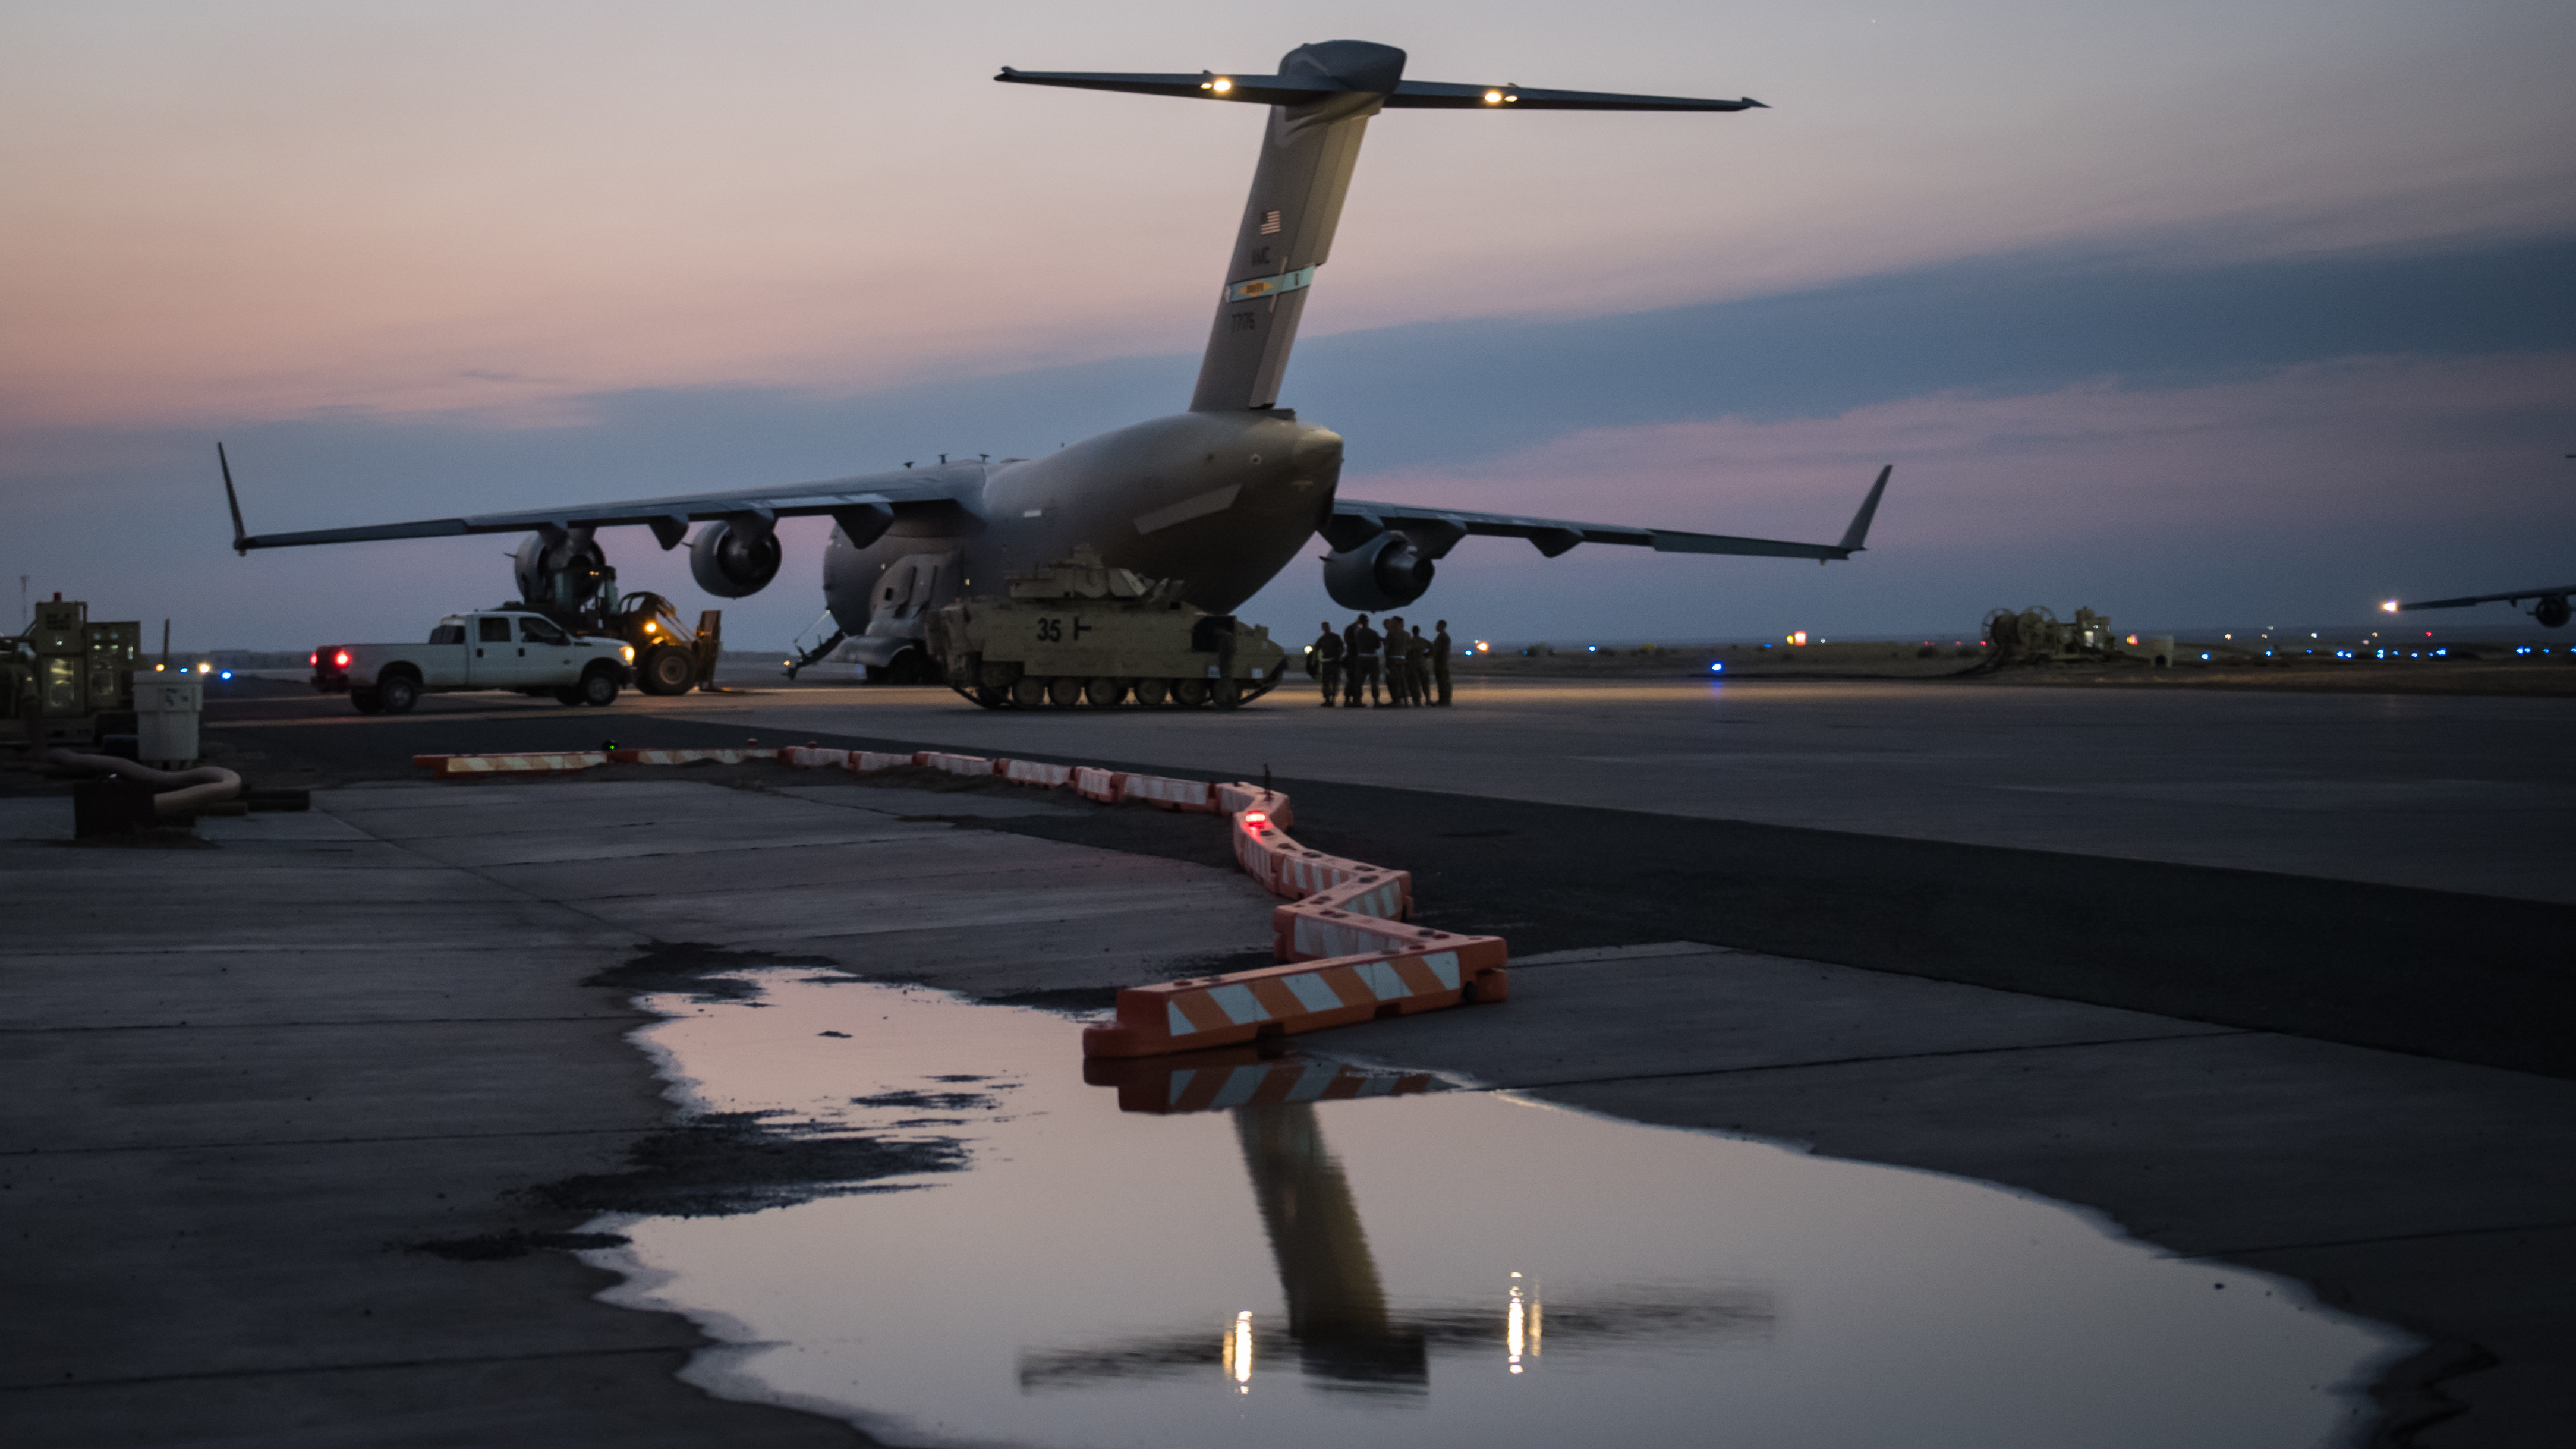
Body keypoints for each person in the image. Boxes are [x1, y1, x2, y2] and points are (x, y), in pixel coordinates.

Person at [1343, 614, 1380, 706]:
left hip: (1357, 658)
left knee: (1356, 680)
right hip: (1369, 658)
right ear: (1367, 621)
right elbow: (1378, 645)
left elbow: (1348, 641)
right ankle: (1375, 701)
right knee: (1373, 680)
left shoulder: (1354, 631)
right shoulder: (1372, 633)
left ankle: (1354, 700)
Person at [1310, 622, 1343, 705]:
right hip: (1326, 662)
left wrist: (1338, 656)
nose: (1326, 628)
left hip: (1334, 662)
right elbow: (1316, 648)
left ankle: (1333, 698)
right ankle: (1327, 699)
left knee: (1335, 681)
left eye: (1327, 627)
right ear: (1323, 628)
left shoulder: (1335, 637)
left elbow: (1342, 648)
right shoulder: (1322, 639)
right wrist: (1316, 659)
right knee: (1326, 681)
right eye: (1324, 627)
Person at [1381, 616, 1410, 705]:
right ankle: (1405, 700)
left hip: (1393, 661)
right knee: (1403, 680)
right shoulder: (1407, 634)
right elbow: (1409, 648)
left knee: (1394, 681)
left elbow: (1387, 648)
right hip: (1403, 660)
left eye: (1393, 622)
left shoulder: (1391, 634)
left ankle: (1396, 701)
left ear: (1396, 623)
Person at [1407, 624, 1434, 707]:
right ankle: (1428, 700)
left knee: (1415, 684)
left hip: (1413, 666)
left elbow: (1406, 652)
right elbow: (1432, 648)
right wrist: (1427, 655)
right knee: (1425, 683)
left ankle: (1417, 701)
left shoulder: (1410, 642)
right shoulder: (1423, 641)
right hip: (1423, 665)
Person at [1432, 619, 1454, 705]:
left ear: (1442, 627)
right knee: (1440, 682)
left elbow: (1443, 651)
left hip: (1442, 663)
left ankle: (1446, 700)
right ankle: (1442, 700)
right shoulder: (1439, 637)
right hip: (1438, 663)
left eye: (1438, 625)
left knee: (1444, 682)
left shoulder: (1445, 638)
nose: (1436, 627)